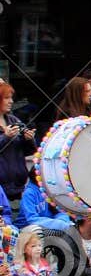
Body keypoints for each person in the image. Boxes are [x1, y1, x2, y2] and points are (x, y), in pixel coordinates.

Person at [0, 82, 35, 212]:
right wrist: (5, 137)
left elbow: (30, 151)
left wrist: (29, 139)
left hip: (18, 188)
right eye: (6, 98)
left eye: (11, 97)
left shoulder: (14, 120)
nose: (11, 101)